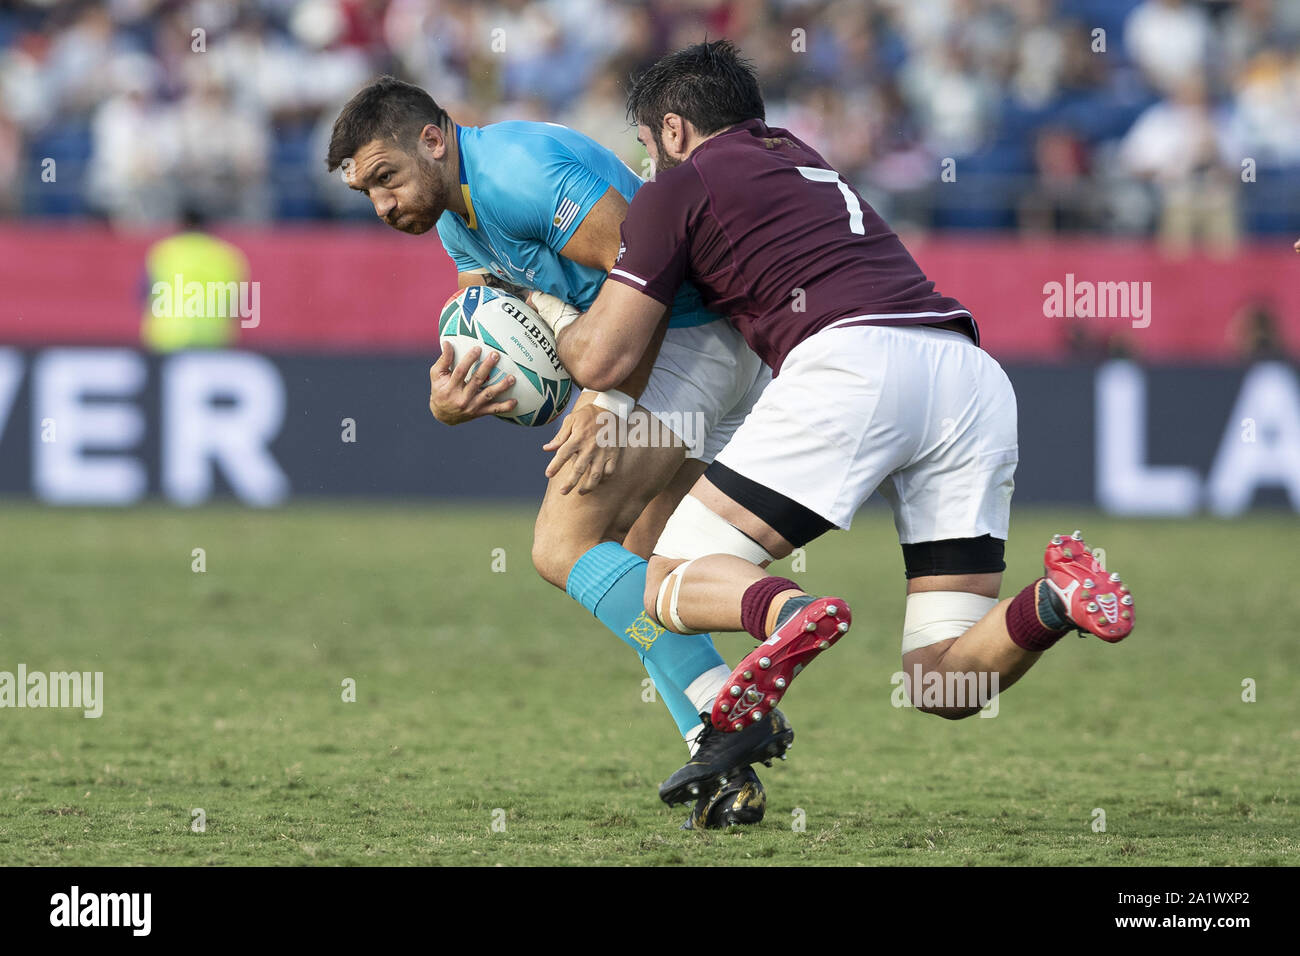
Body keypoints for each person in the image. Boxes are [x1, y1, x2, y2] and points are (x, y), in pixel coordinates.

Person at [527, 40, 1138, 807]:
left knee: (664, 580)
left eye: (648, 147)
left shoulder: (678, 189)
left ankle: (790, 611)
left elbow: (607, 358)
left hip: (856, 365)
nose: (648, 166)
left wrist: (544, 312)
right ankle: (1055, 601)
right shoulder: (804, 157)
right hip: (969, 375)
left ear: (674, 131)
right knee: (946, 682)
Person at [325, 77, 771, 828]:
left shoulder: (518, 174)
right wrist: (450, 398)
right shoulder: (454, 214)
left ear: (432, 140)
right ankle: (725, 758)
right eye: (366, 191)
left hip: (688, 339)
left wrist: (608, 401)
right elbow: (484, 316)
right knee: (641, 567)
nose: (381, 204)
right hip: (697, 350)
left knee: (563, 545)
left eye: (385, 177)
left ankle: (738, 699)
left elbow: (650, 271)